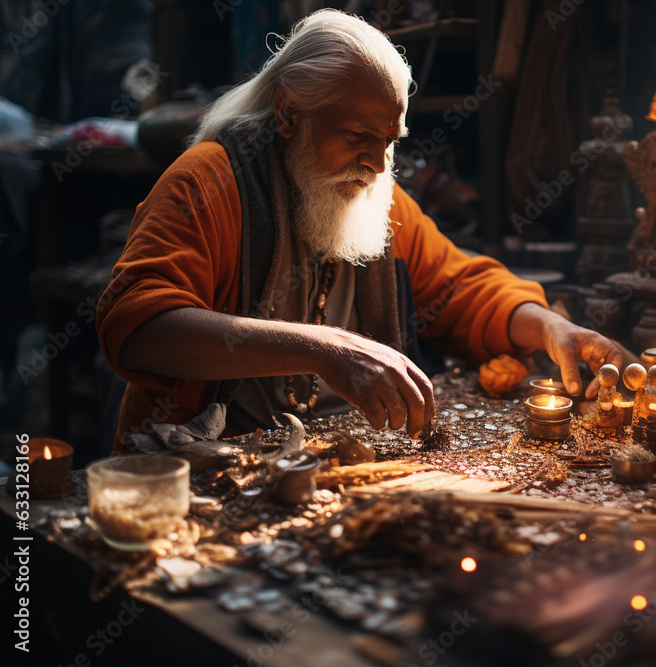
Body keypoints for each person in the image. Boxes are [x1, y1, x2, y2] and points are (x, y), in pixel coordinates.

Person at [96, 9, 624, 451]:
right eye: (357, 135)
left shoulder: (378, 197)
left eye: (389, 141)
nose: (376, 164)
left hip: (339, 460)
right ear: (288, 113)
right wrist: (325, 349)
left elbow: (459, 288)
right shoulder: (209, 180)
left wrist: (551, 328)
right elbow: (139, 327)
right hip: (212, 463)